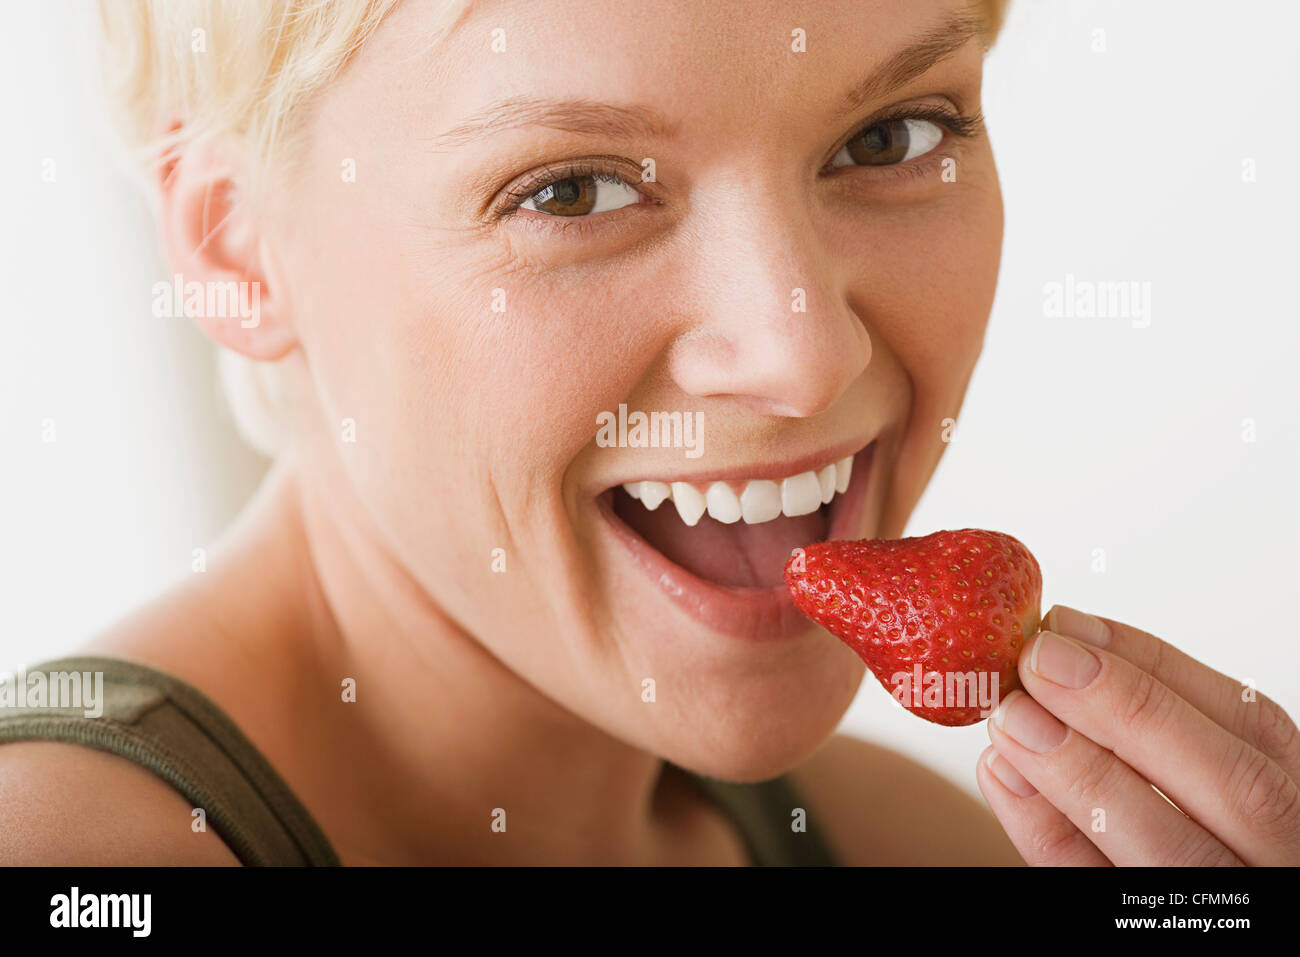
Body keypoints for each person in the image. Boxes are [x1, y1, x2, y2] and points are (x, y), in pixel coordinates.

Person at [3, 0, 1295, 866]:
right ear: (239, 251)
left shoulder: (911, 840)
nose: (804, 357)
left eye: (892, 134)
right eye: (573, 189)